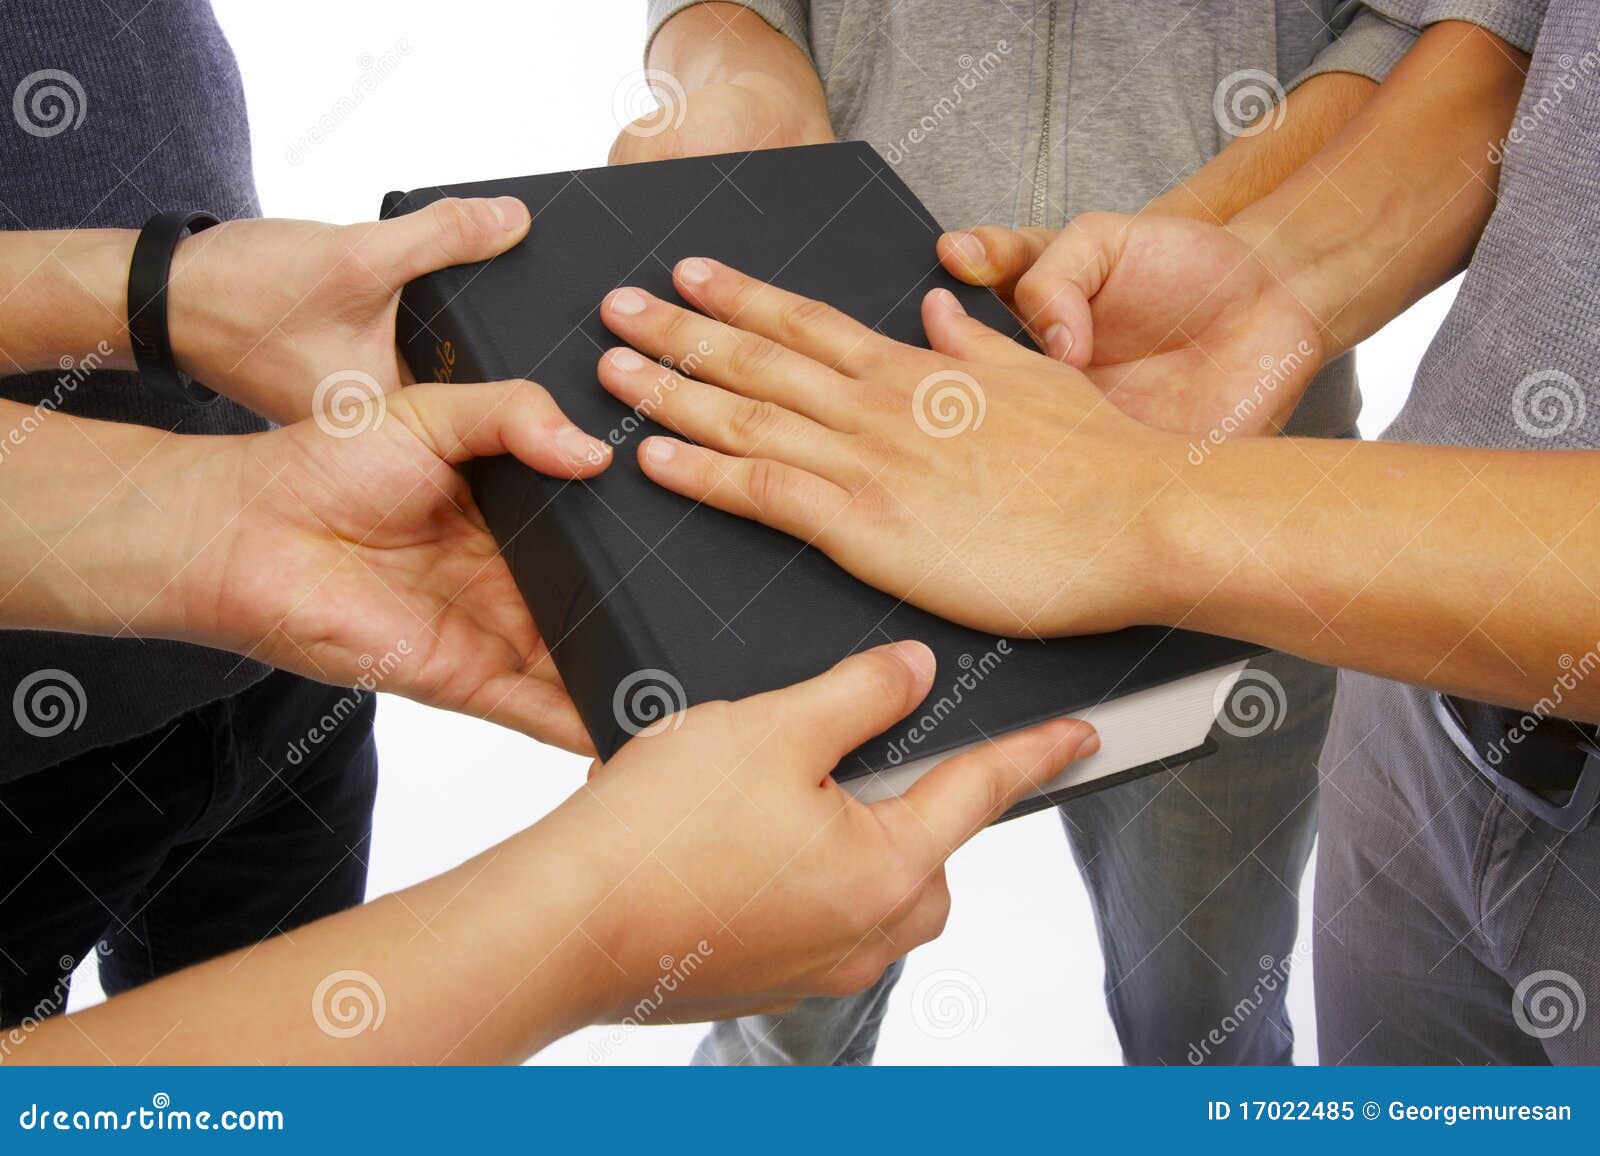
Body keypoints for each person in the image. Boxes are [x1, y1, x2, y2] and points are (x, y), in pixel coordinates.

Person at [594, 0, 1599, 1062]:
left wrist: (1154, 491)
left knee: (1203, 1024)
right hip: (848, 423)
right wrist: (735, 61)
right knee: (779, 1034)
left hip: (1248, 492)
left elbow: (1447, 24)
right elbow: (1514, 35)